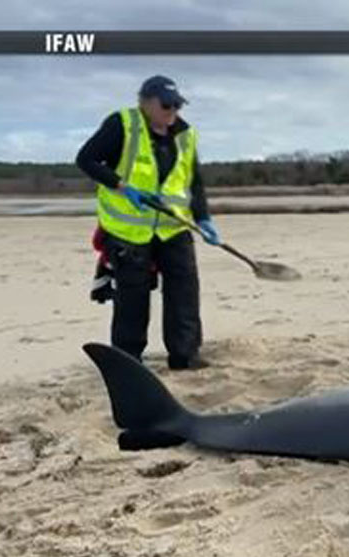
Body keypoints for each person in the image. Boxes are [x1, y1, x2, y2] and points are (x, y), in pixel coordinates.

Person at [76, 75, 220, 371]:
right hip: (129, 231)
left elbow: (194, 181)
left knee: (184, 293)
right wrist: (122, 187)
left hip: (174, 227)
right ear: (145, 102)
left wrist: (203, 218)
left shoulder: (185, 134)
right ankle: (129, 363)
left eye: (177, 105)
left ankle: (185, 357)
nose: (172, 111)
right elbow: (86, 160)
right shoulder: (122, 124)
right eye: (166, 105)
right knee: (132, 300)